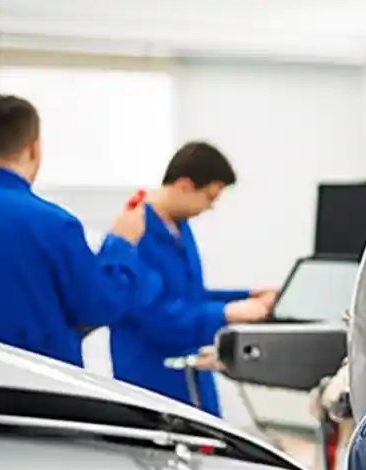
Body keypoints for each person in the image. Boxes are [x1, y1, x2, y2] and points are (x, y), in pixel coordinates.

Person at [0, 94, 154, 366]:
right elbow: (98, 306)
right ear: (34, 149)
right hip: (36, 396)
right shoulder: (54, 225)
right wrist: (121, 244)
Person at [109, 141, 276, 416]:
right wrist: (228, 312)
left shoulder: (178, 227)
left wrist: (247, 297)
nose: (210, 208)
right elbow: (157, 316)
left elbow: (189, 296)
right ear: (185, 186)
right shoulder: (135, 233)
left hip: (190, 374)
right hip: (151, 378)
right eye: (210, 197)